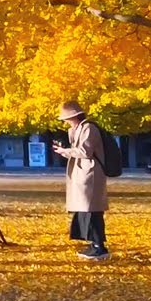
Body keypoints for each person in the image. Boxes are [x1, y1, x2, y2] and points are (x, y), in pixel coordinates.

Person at [53, 101, 110, 260]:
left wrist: (66, 151)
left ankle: (99, 246)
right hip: (83, 173)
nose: (65, 122)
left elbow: (85, 151)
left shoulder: (88, 128)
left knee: (91, 210)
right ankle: (94, 244)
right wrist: (64, 151)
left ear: (73, 117)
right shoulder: (77, 129)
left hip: (89, 174)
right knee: (85, 210)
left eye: (66, 119)